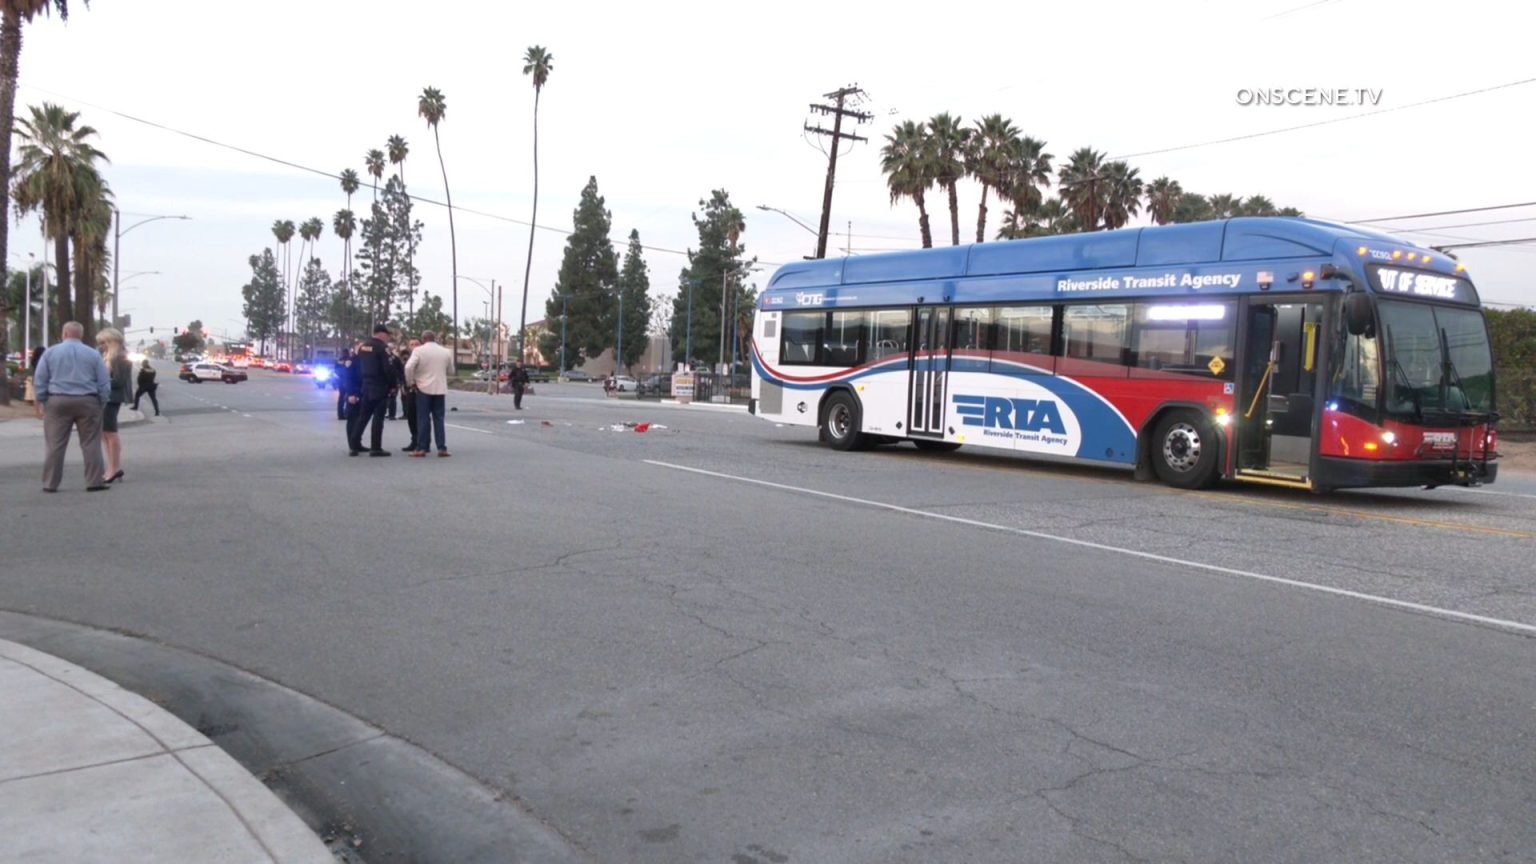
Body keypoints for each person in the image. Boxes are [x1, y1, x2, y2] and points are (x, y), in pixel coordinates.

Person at [33, 321, 110, 492]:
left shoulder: (50, 353)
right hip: (88, 401)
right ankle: (94, 481)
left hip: (57, 400)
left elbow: (40, 379)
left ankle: (50, 484)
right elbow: (103, 382)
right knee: (91, 443)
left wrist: (44, 400)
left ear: (64, 333)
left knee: (55, 444)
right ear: (80, 335)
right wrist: (101, 402)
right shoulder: (93, 354)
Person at [403, 330, 452, 457]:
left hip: (423, 388)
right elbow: (451, 370)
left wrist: (411, 382)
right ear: (434, 338)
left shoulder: (419, 351)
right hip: (440, 388)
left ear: (423, 339)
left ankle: (421, 447)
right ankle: (442, 447)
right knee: (439, 419)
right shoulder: (445, 351)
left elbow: (408, 367)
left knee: (423, 418)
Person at [347, 325, 394, 457]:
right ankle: (376, 447)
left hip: (366, 385)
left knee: (363, 417)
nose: (387, 338)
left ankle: (354, 445)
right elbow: (387, 368)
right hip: (380, 385)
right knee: (378, 418)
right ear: (382, 334)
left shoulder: (363, 347)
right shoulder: (382, 348)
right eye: (387, 336)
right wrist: (392, 384)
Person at [96, 328, 133, 484]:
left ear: (113, 342)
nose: (102, 345)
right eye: (101, 343)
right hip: (104, 398)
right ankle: (111, 467)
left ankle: (115, 468)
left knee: (110, 432)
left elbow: (118, 382)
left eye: (104, 342)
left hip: (112, 398)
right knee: (104, 434)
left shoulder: (121, 358)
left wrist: (100, 383)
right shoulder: (107, 357)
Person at [399, 339, 421, 451]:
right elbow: (401, 372)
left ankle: (422, 441)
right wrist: (402, 385)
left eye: (416, 344)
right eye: (412, 344)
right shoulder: (406, 358)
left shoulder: (422, 357)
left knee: (421, 416)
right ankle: (414, 439)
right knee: (411, 415)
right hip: (409, 389)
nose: (414, 346)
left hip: (421, 389)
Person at [335, 348, 353, 420]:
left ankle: (340, 414)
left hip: (341, 381)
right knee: (348, 397)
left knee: (341, 398)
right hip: (348, 381)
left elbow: (336, 371)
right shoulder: (349, 360)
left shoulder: (339, 361)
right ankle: (347, 413)